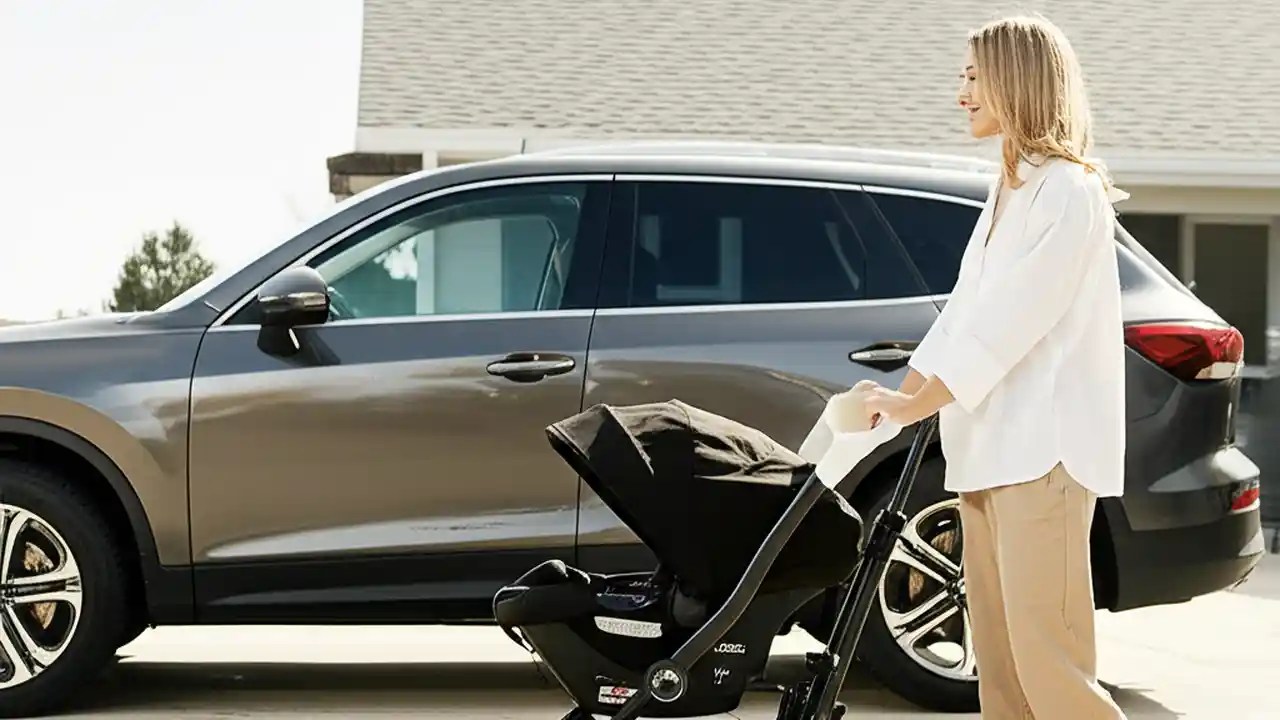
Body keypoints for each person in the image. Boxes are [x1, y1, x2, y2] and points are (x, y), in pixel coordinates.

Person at [861, 14, 1130, 720]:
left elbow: (1009, 326)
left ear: (1018, 80)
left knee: (1051, 672)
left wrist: (912, 407)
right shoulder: (1009, 189)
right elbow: (964, 316)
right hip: (986, 454)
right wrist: (900, 397)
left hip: (1042, 458)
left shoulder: (1069, 192)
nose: (963, 93)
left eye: (975, 76)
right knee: (1002, 677)